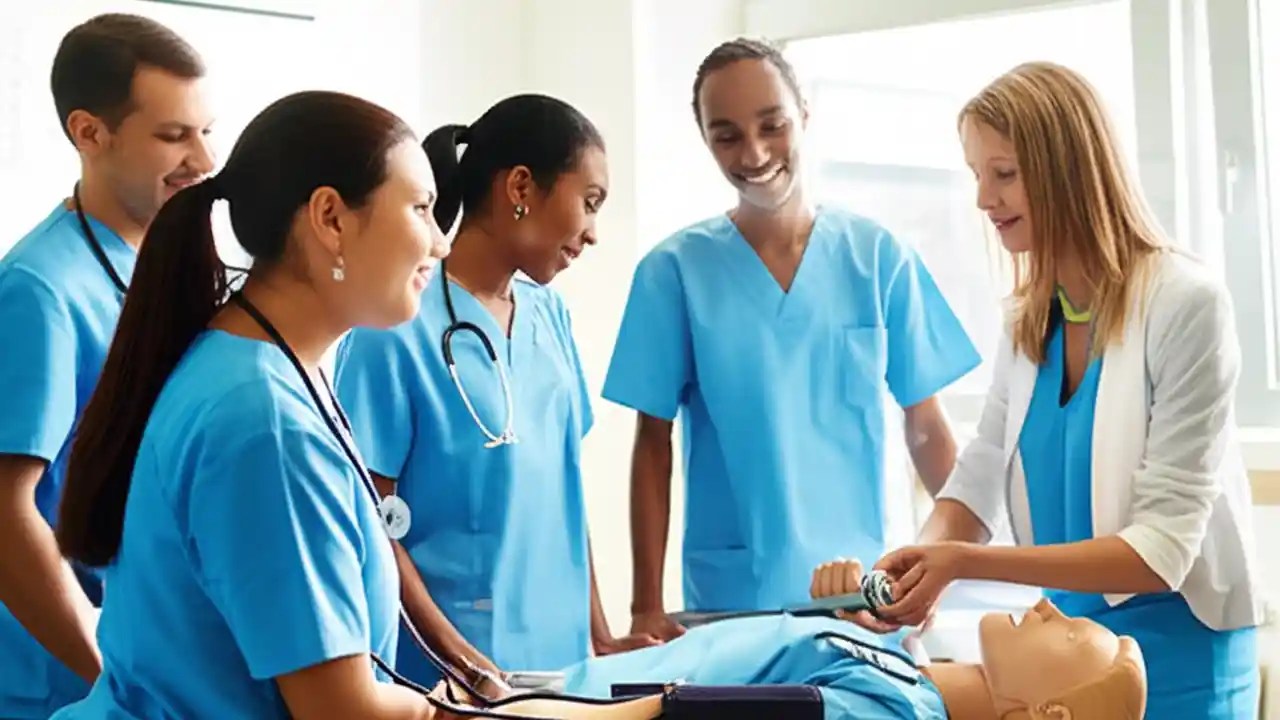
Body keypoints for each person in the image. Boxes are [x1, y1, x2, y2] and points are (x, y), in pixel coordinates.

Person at [859, 61, 1263, 718]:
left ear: (1068, 168)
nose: (984, 199)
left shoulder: (1187, 306)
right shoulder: (1029, 320)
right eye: (977, 176)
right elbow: (978, 477)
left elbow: (1160, 553)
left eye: (1005, 174)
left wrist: (960, 562)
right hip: (1069, 655)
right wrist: (917, 566)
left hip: (1183, 653)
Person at [50, 90, 451, 719]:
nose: (439, 243)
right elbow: (339, 711)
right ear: (330, 218)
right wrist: (447, 710)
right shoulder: (264, 421)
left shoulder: (264, 369)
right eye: (423, 210)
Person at [602, 37, 981, 637]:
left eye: (772, 124)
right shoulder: (673, 272)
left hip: (864, 592)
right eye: (725, 134)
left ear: (804, 113)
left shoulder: (878, 258)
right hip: (733, 596)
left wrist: (963, 559)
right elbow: (653, 443)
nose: (753, 152)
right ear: (704, 138)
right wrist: (643, 606)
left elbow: (927, 427)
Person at [335, 93, 656, 691]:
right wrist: (466, 662)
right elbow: (368, 523)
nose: (592, 233)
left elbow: (562, 488)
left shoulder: (548, 314)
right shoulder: (393, 324)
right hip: (445, 678)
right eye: (588, 203)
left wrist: (601, 635)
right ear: (521, 187)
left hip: (559, 668)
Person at [0, 14, 213, 718]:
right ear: (89, 133)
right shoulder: (41, 290)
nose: (204, 160)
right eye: (174, 136)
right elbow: (5, 513)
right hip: (67, 686)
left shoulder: (168, 269)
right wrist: (110, 675)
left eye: (206, 131)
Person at [441, 592, 1145, 719]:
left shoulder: (893, 713)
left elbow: (670, 715)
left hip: (564, 710)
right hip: (562, 692)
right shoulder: (909, 677)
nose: (1053, 608)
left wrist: (513, 716)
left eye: (1076, 637)